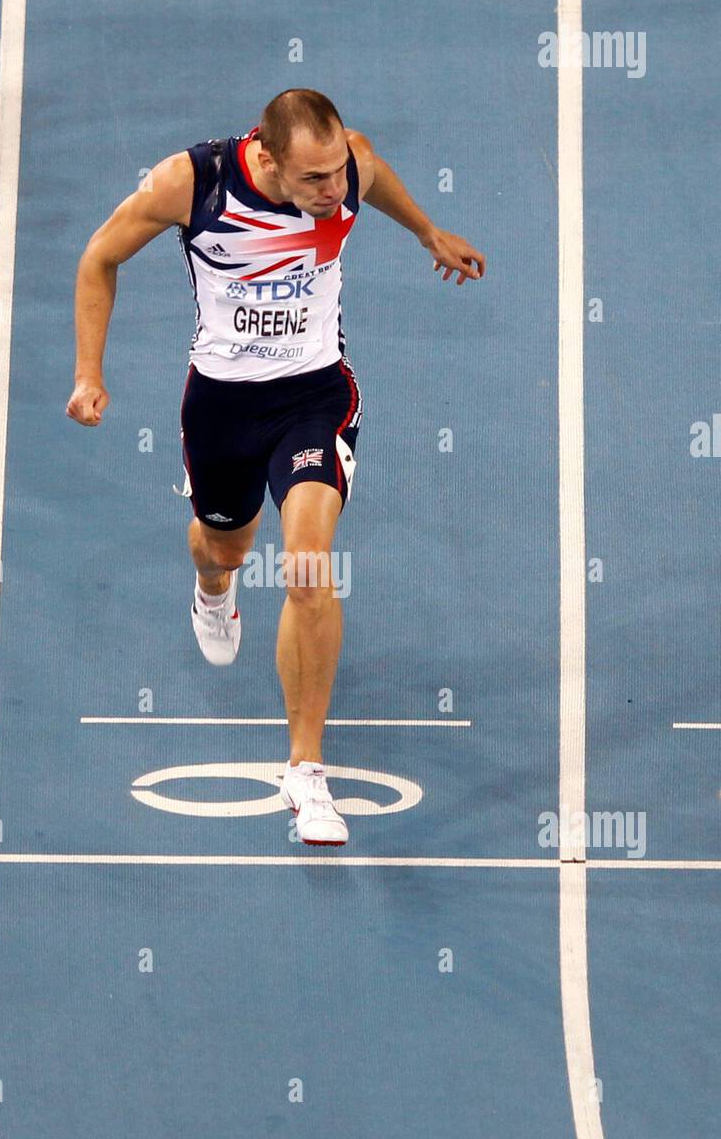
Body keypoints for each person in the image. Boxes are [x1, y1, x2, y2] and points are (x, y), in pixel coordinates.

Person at [67, 89, 485, 846]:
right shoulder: (189, 183)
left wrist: (428, 231)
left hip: (314, 396)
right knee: (220, 542)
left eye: (337, 176)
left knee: (305, 566)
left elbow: (374, 175)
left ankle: (305, 770)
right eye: (314, 181)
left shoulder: (348, 163)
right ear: (265, 154)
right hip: (221, 404)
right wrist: (88, 374)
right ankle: (213, 587)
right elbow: (98, 258)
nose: (334, 193)